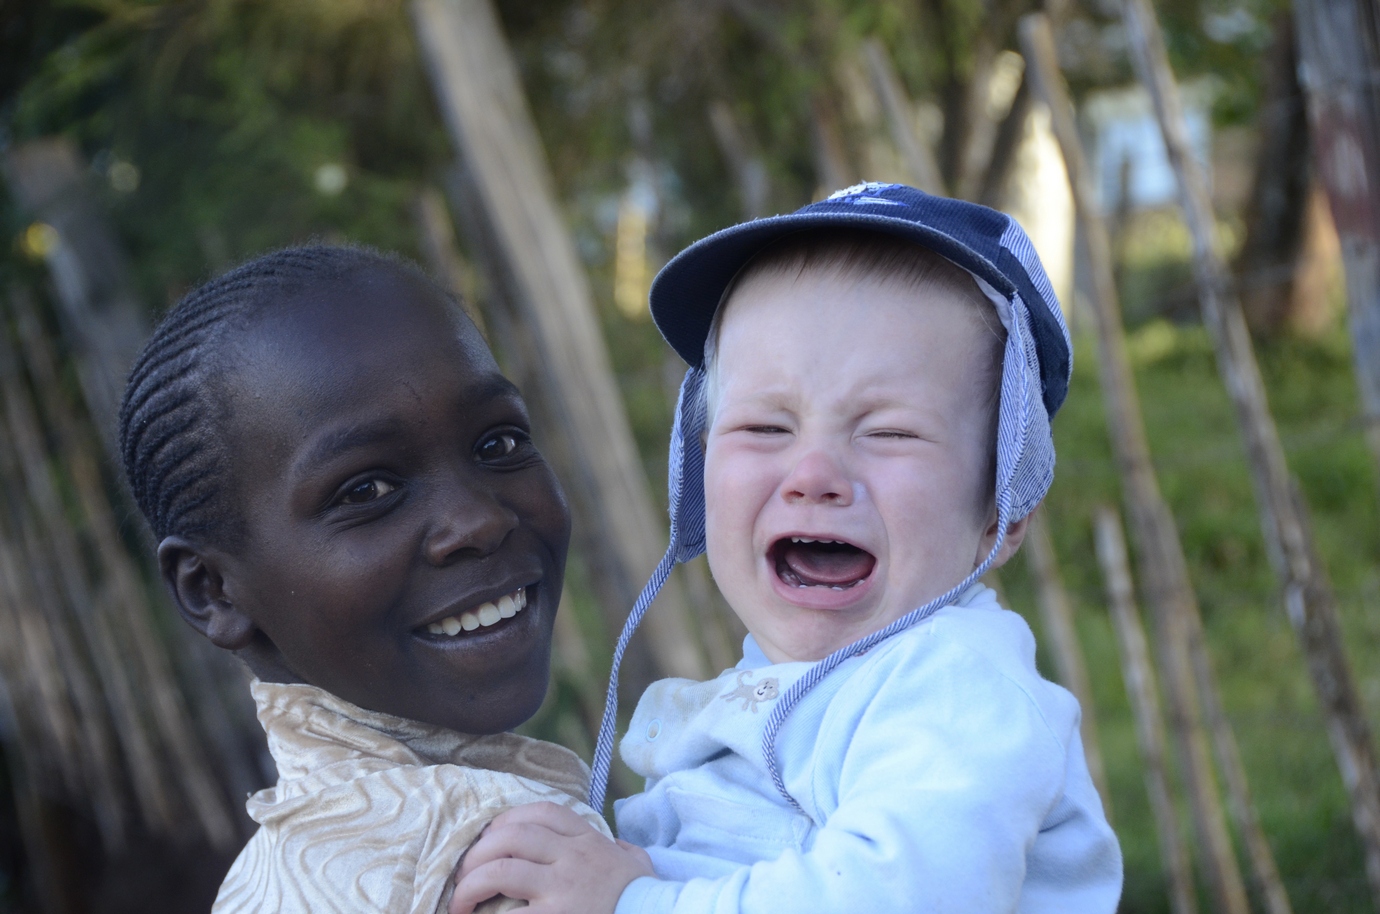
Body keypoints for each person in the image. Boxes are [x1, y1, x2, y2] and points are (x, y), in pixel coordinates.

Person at [450, 183, 1123, 914]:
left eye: (890, 432)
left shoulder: (953, 687)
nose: (814, 476)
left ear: (1001, 511)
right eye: (764, 428)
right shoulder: (783, 684)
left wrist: (630, 901)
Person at [117, 245, 623, 914]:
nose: (476, 520)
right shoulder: (502, 873)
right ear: (211, 589)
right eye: (368, 488)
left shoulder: (268, 880)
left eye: (496, 443)